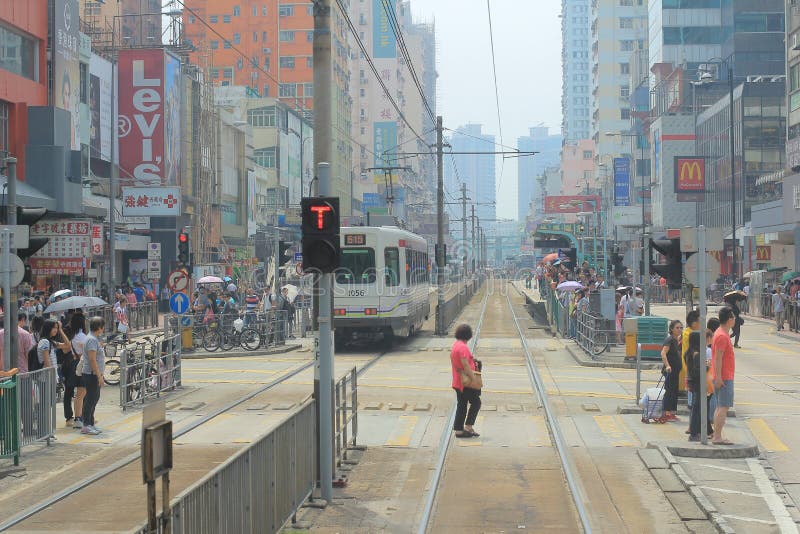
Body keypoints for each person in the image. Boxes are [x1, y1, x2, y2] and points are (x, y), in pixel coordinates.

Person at [450, 323, 481, 438]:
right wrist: (473, 379)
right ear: (468, 335)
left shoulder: (456, 345)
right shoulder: (463, 347)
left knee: (462, 405)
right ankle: (468, 427)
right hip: (465, 383)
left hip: (458, 381)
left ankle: (459, 429)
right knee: (476, 403)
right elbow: (465, 364)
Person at [712, 307, 736, 445]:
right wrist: (720, 377)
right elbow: (718, 358)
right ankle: (717, 437)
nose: (734, 319)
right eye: (733, 317)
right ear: (729, 319)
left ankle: (716, 435)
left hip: (723, 375)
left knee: (720, 406)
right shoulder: (721, 335)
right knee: (723, 407)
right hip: (724, 376)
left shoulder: (721, 333)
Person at [686, 330, 714, 441]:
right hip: (699, 384)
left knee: (695, 408)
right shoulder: (696, 354)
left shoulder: (690, 352)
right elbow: (697, 371)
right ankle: (694, 433)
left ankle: (697, 431)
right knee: (697, 409)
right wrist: (706, 366)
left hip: (694, 383)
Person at [80, 316, 106, 435]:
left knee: (94, 399)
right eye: (102, 327)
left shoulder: (93, 339)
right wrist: (99, 376)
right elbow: (92, 360)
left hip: (94, 374)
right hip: (91, 374)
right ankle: (86, 425)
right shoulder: (91, 340)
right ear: (99, 328)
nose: (103, 329)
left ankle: (90, 423)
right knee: (90, 399)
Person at [659, 319, 684, 422]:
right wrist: (668, 365)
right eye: (677, 328)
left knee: (674, 391)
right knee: (669, 391)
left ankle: (672, 413)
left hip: (676, 371)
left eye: (681, 328)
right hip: (670, 371)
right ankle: (666, 413)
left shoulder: (675, 340)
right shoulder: (669, 340)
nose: (679, 330)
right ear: (671, 329)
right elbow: (663, 353)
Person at [66, 314, 87, 429]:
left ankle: (79, 417)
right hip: (83, 366)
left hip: (75, 365)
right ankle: (79, 417)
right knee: (81, 393)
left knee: (79, 393)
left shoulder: (73, 336)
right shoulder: (82, 336)